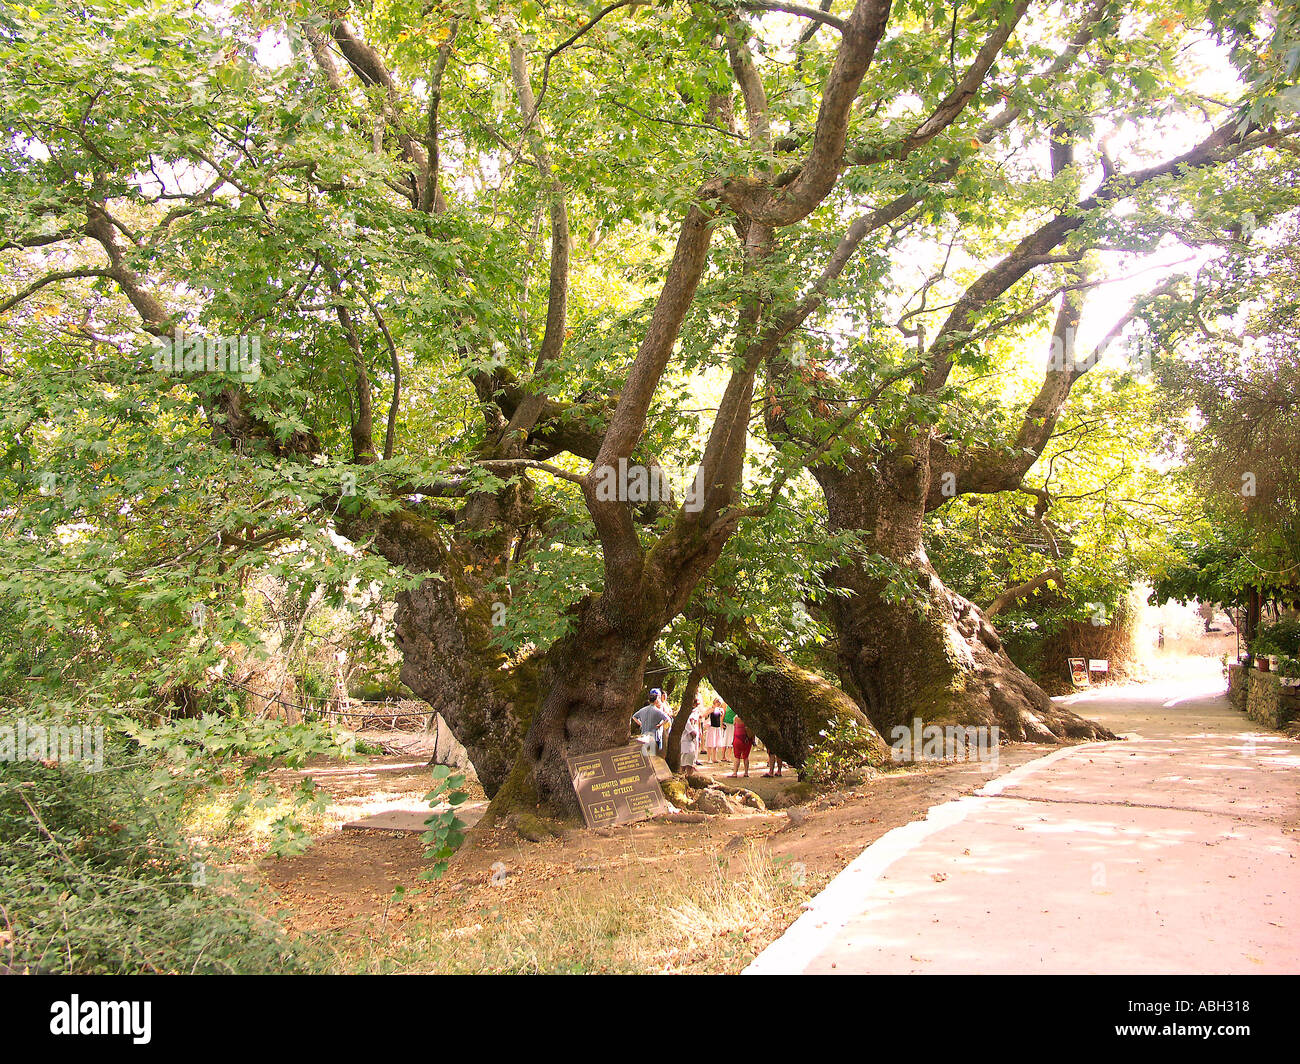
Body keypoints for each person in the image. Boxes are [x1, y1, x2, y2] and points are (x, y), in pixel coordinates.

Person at [632, 690, 671, 758]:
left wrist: (640, 723)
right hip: (655, 736)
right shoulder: (657, 711)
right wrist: (660, 725)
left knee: (646, 756)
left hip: (644, 736)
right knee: (655, 757)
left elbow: (634, 717)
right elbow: (667, 719)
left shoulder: (642, 710)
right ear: (656, 700)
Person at [706, 696, 725, 763]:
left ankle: (714, 758)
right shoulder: (711, 709)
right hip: (712, 728)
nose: (719, 704)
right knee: (710, 743)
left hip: (717, 728)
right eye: (718, 702)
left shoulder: (720, 710)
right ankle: (709, 758)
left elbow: (721, 718)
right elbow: (705, 715)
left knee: (716, 744)